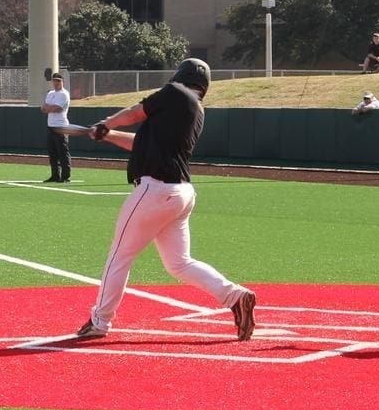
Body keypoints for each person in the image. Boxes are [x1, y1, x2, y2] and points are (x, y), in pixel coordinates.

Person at [74, 59, 257, 342]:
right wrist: (108, 135)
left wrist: (105, 122)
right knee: (179, 263)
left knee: (119, 256)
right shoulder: (195, 110)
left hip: (155, 190)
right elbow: (139, 144)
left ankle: (100, 321)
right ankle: (236, 296)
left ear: (180, 76)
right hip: (180, 193)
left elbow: (136, 113)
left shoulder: (173, 93)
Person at [40, 71, 73, 183]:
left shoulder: (64, 94)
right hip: (51, 126)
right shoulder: (50, 93)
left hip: (61, 127)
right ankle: (55, 175)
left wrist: (49, 108)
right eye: (54, 81)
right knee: (52, 153)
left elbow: (58, 108)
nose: (56, 83)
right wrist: (50, 108)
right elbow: (43, 108)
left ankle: (65, 176)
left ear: (62, 82)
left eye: (58, 81)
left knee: (63, 153)